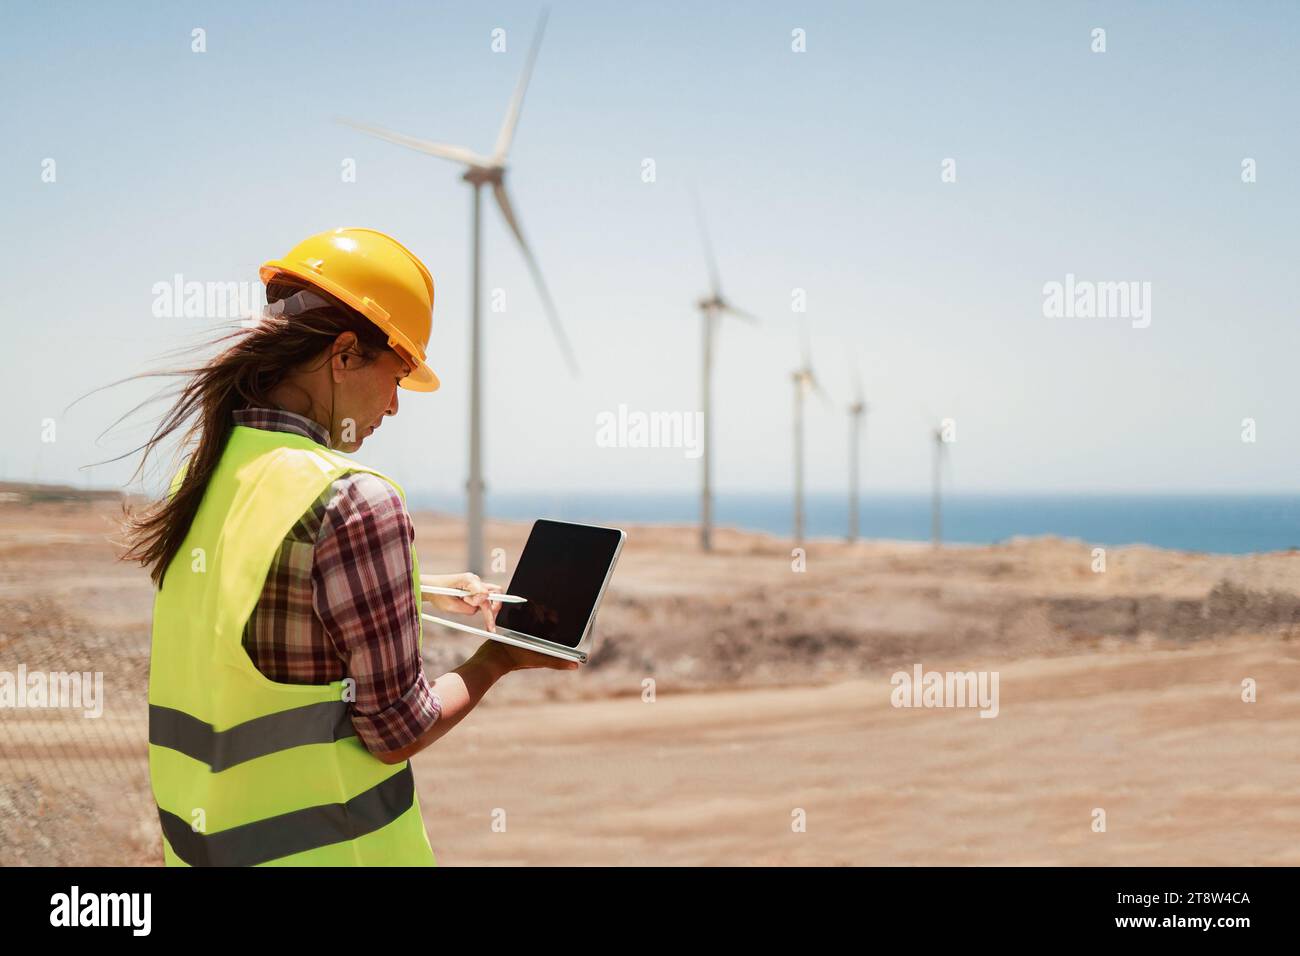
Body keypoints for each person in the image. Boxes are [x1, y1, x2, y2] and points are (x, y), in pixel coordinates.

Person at [123, 227, 576, 866]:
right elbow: (397, 730)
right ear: (344, 354)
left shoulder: (201, 480)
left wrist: (424, 585)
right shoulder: (355, 500)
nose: (394, 407)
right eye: (396, 377)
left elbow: (267, 604)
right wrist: (494, 661)